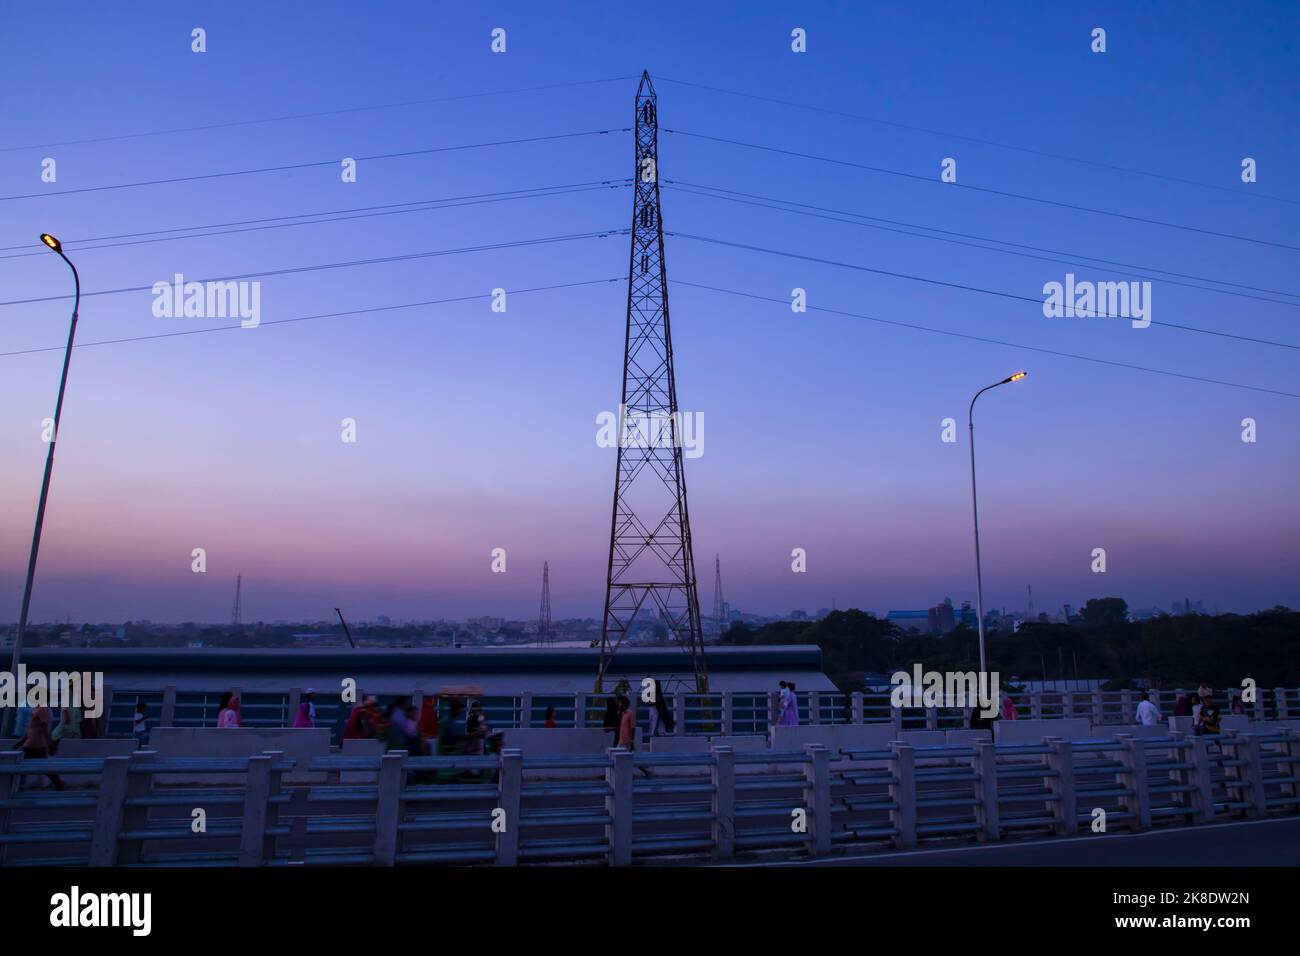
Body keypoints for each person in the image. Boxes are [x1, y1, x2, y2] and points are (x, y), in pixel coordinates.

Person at [16, 706, 63, 790]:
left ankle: (18, 786)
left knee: (20, 765)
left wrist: (50, 744)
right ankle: (59, 784)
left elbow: (44, 729)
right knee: (42, 766)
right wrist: (20, 742)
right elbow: (31, 728)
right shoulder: (37, 709)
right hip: (32, 743)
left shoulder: (43, 710)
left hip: (35, 744)